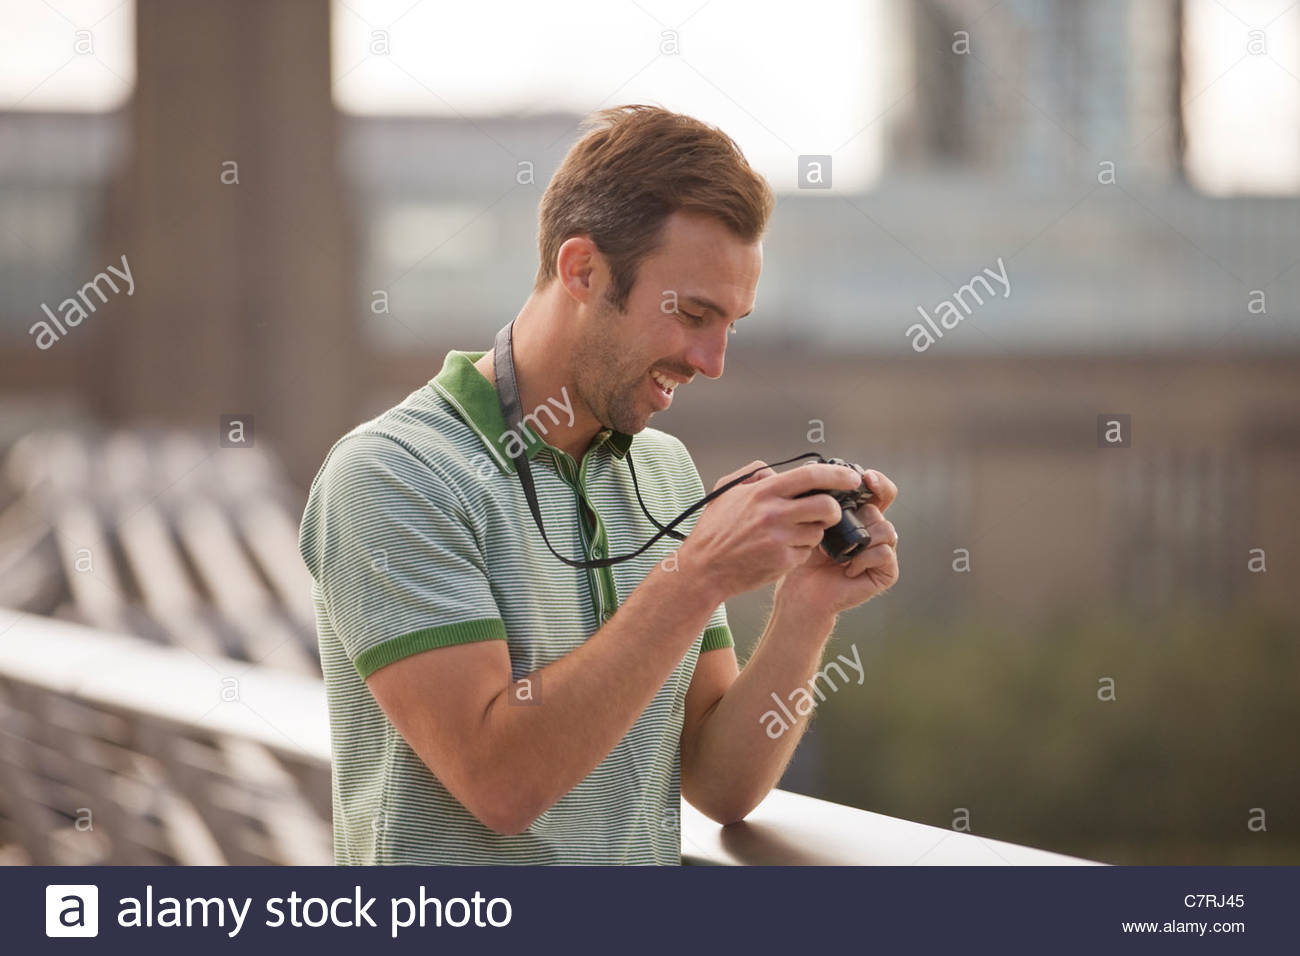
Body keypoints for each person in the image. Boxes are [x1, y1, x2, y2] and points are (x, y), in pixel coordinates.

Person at [298, 104, 900, 865]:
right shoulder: (392, 476)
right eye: (692, 313)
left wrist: (806, 609)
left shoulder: (663, 470)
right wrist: (698, 574)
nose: (712, 360)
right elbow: (502, 784)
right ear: (582, 270)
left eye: (732, 324)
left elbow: (718, 783)